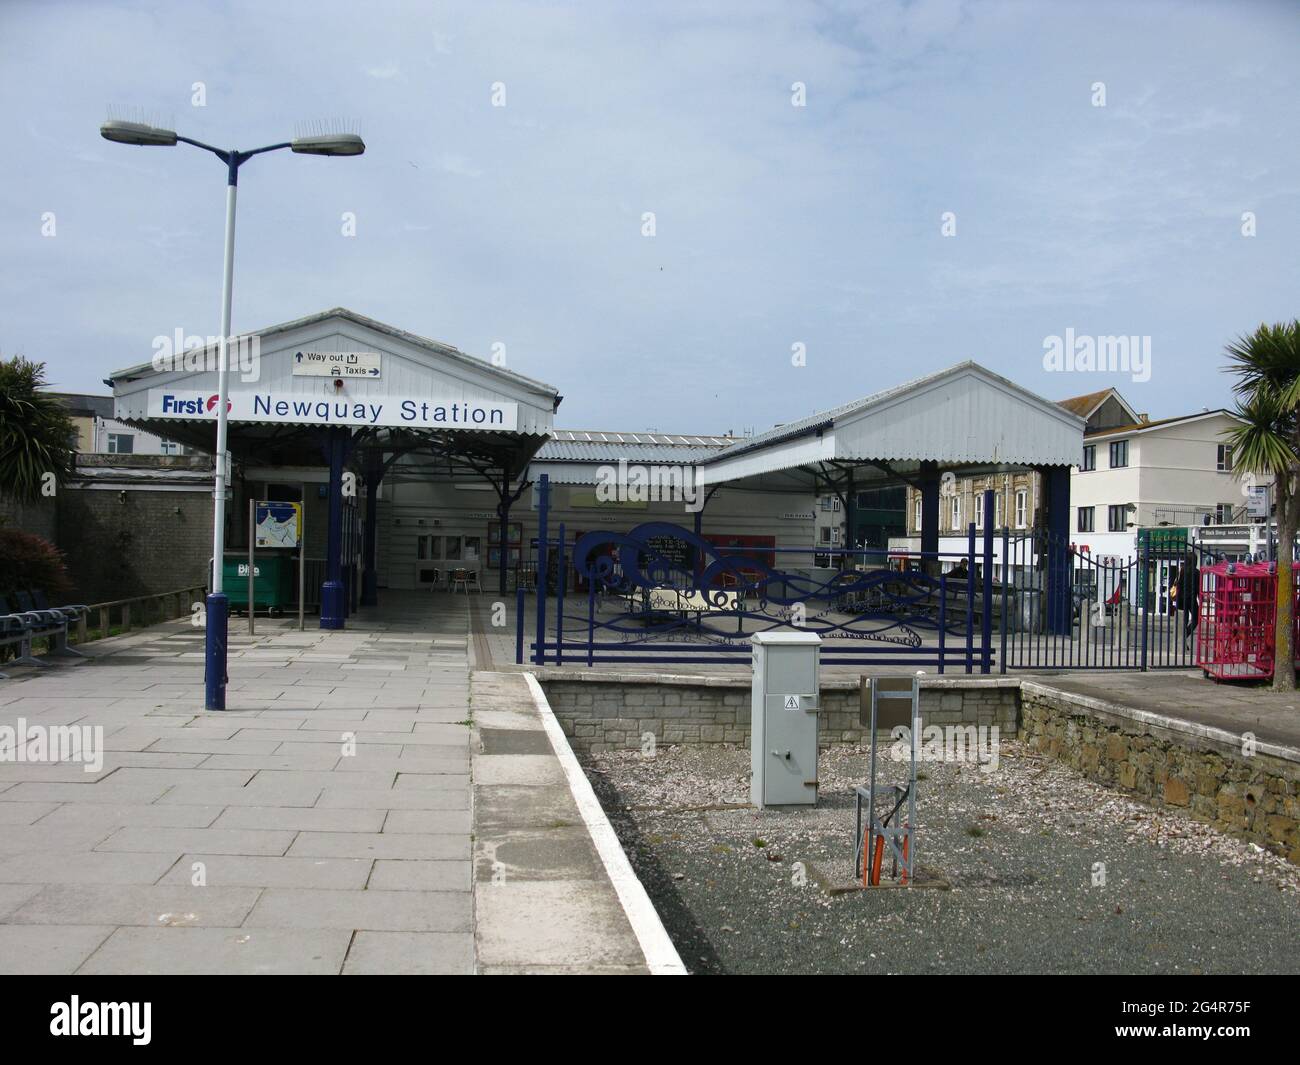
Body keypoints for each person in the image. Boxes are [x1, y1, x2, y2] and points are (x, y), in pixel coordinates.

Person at [1176, 551, 1200, 649]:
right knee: (1196, 619)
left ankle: (1182, 640)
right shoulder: (1196, 572)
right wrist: (1200, 598)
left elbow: (1178, 584)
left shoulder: (1182, 570)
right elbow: (1198, 588)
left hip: (1181, 599)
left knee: (1184, 621)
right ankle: (1184, 637)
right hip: (1191, 599)